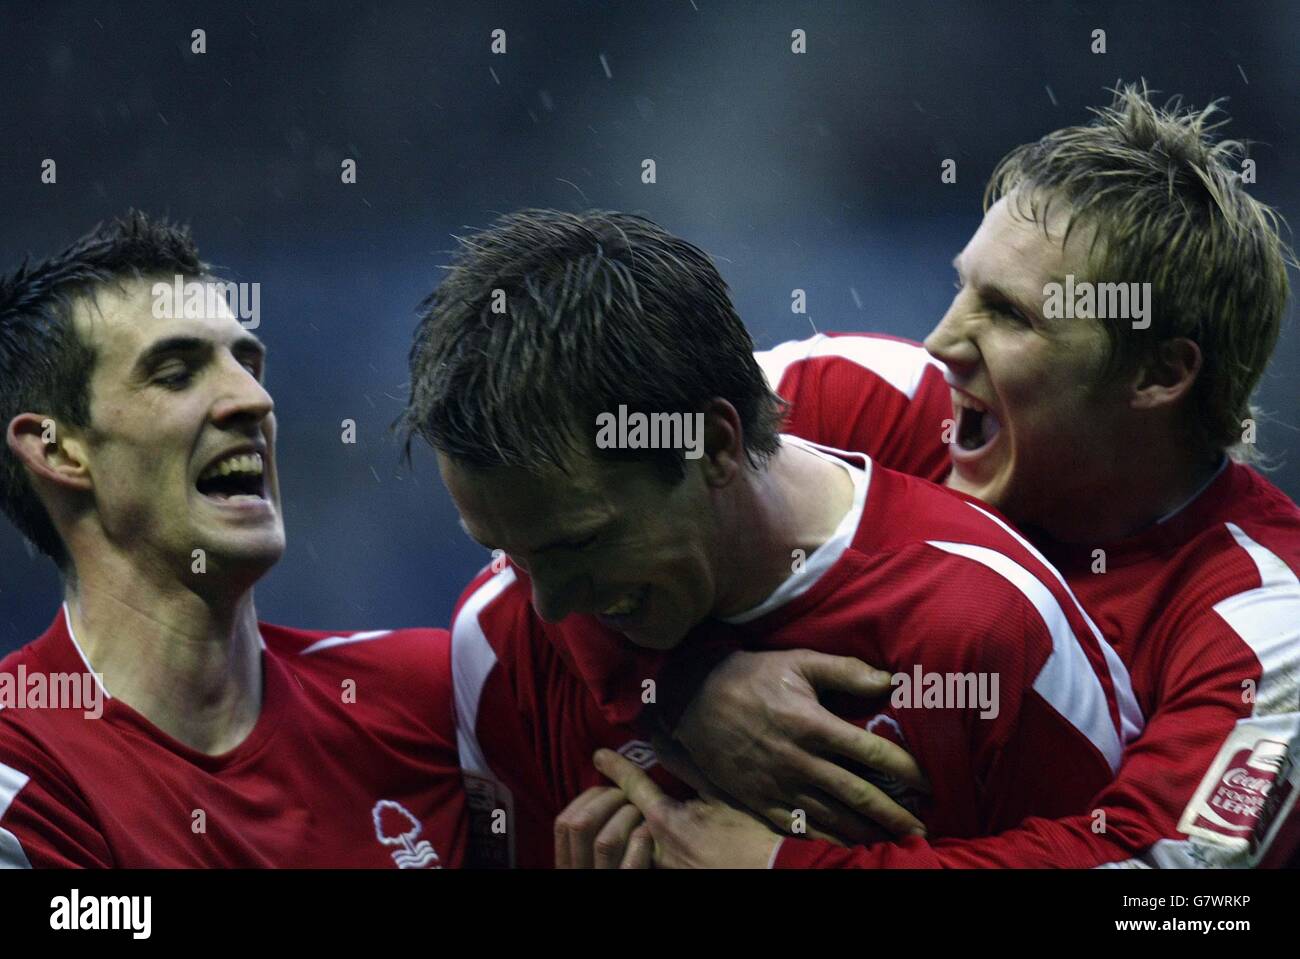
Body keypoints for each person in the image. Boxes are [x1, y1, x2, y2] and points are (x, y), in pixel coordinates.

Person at [581, 84, 1300, 868]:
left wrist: (781, 867)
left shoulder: (1269, 626)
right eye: (963, 287)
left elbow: (1181, 899)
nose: (941, 340)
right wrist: (682, 688)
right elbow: (558, 477)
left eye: (1010, 315)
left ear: (1159, 373)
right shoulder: (855, 398)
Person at [400, 207, 1138, 869]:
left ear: (716, 445)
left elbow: (1158, 911)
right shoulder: (496, 642)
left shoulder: (988, 621)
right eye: (507, 549)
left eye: (580, 544)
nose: (551, 603)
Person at [0, 213, 465, 868]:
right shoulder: (20, 770)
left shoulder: (429, 697)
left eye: (247, 363)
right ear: (59, 450)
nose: (253, 399)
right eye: (177, 373)